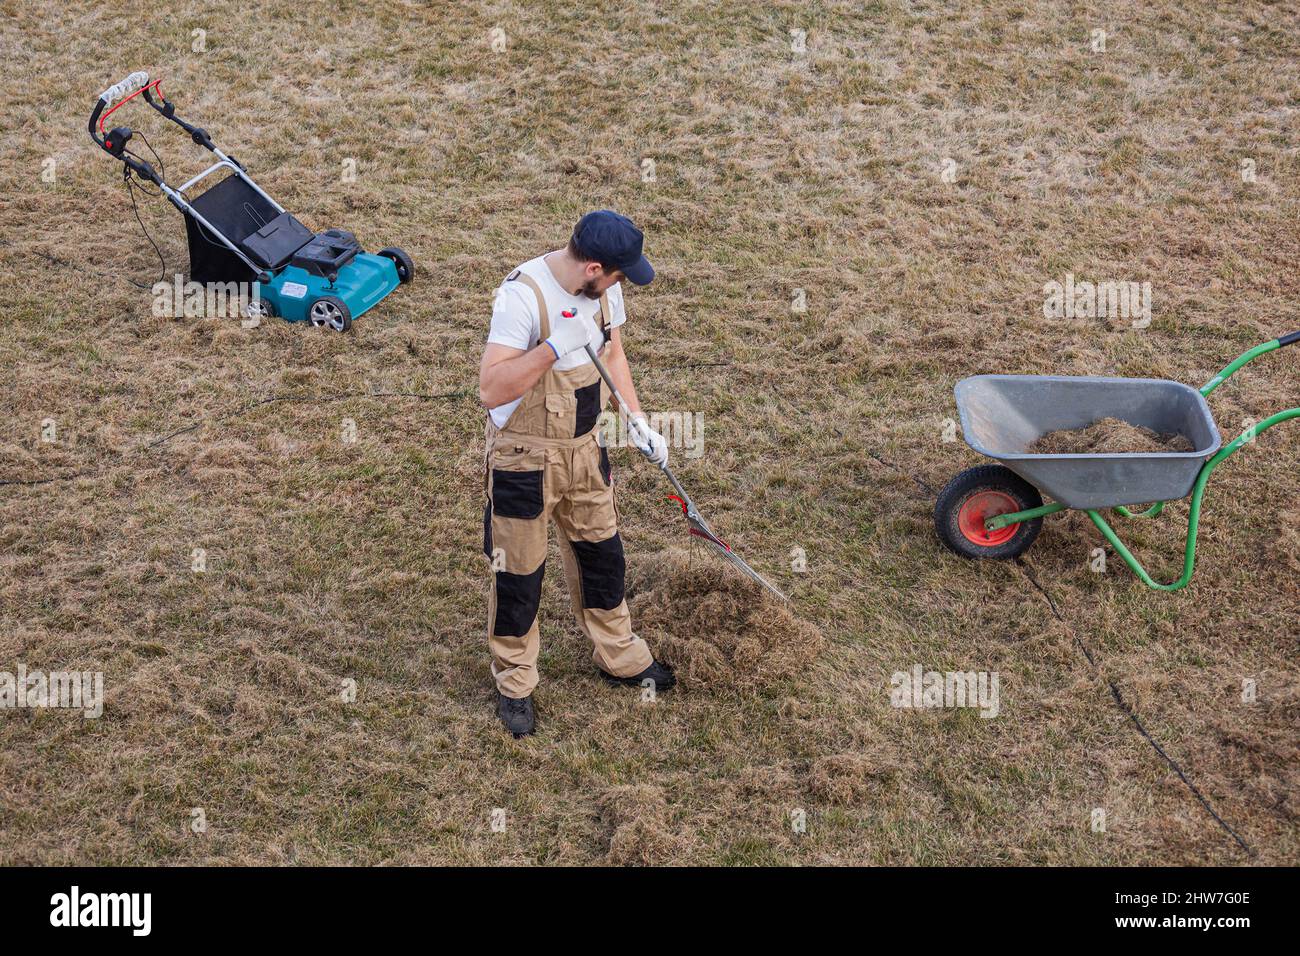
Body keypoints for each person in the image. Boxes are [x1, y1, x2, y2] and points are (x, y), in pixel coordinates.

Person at [478, 210, 676, 737]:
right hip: (524, 457)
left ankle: (620, 656)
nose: (621, 285)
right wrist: (550, 349)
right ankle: (515, 681)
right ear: (593, 267)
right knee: (519, 576)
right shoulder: (522, 297)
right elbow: (492, 390)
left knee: (602, 557)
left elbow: (614, 352)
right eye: (617, 274)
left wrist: (637, 420)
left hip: (586, 450)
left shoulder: (603, 293)